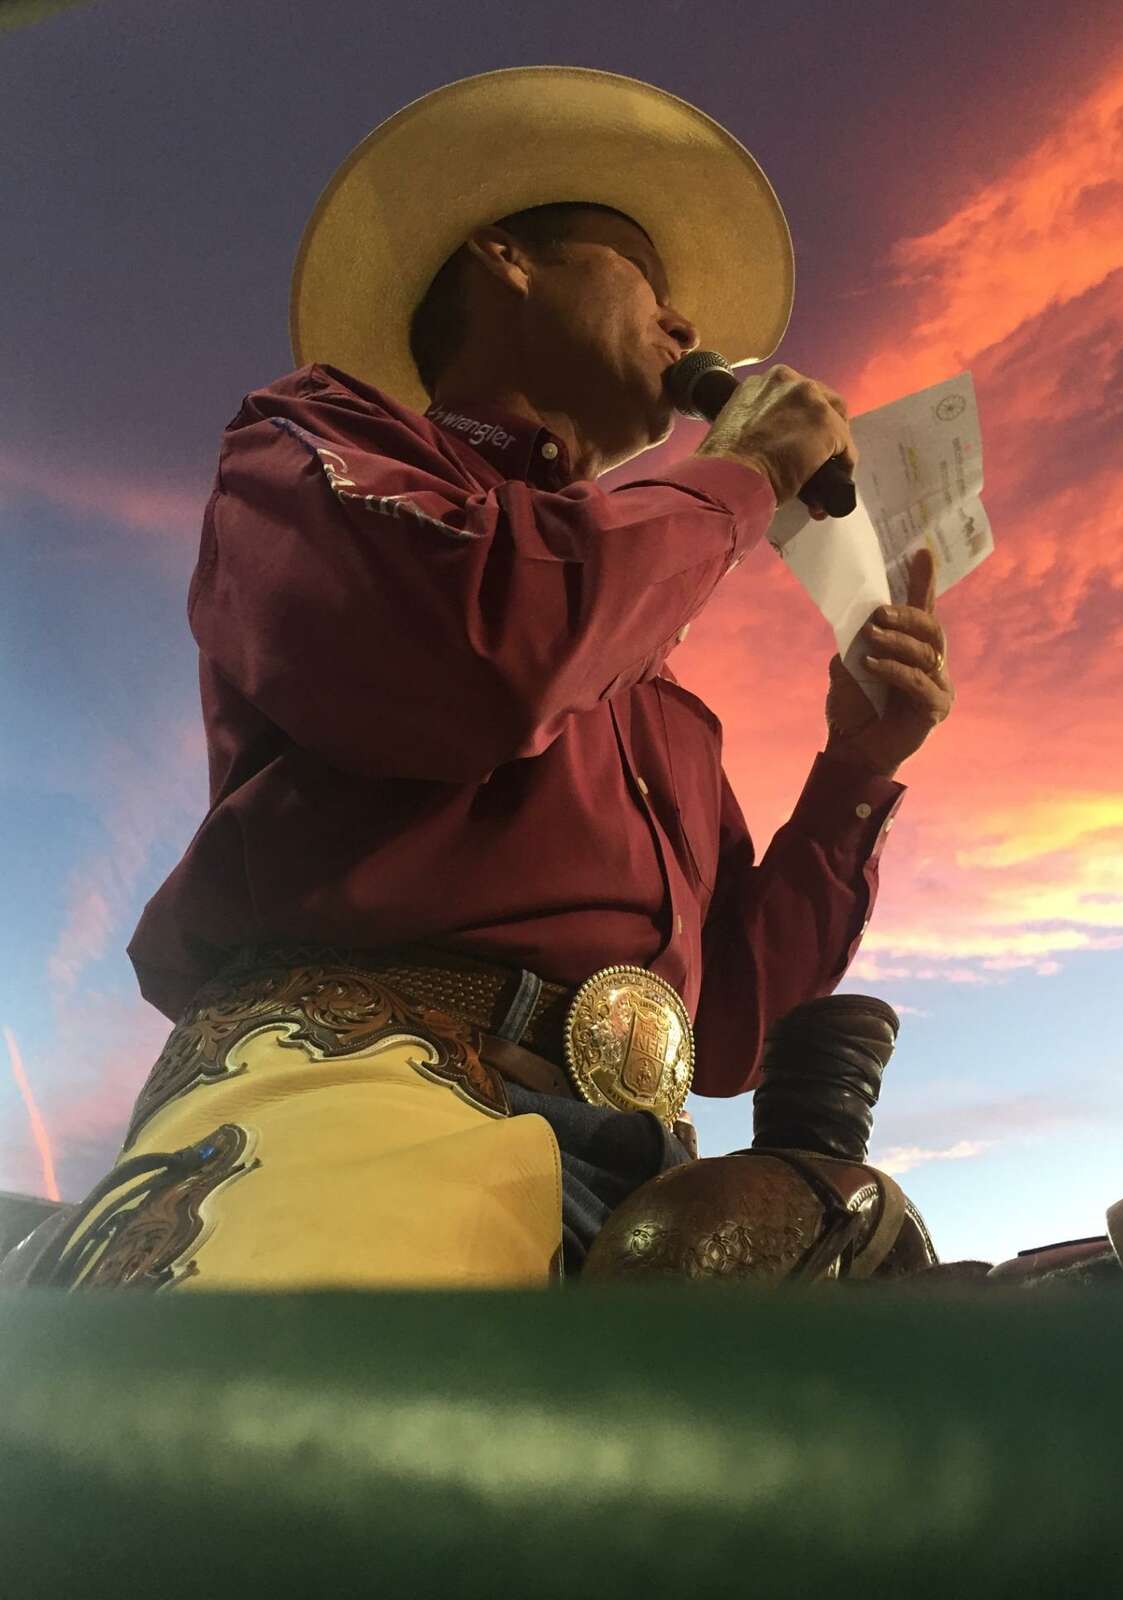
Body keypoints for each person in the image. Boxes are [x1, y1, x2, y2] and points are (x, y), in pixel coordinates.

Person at [16, 67, 955, 1291]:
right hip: (352, 1087)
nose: (684, 327)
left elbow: (729, 1027)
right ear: (502, 257)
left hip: (644, 1165)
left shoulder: (651, 681)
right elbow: (484, 652)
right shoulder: (308, 448)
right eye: (643, 274)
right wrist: (741, 476)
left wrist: (855, 771)